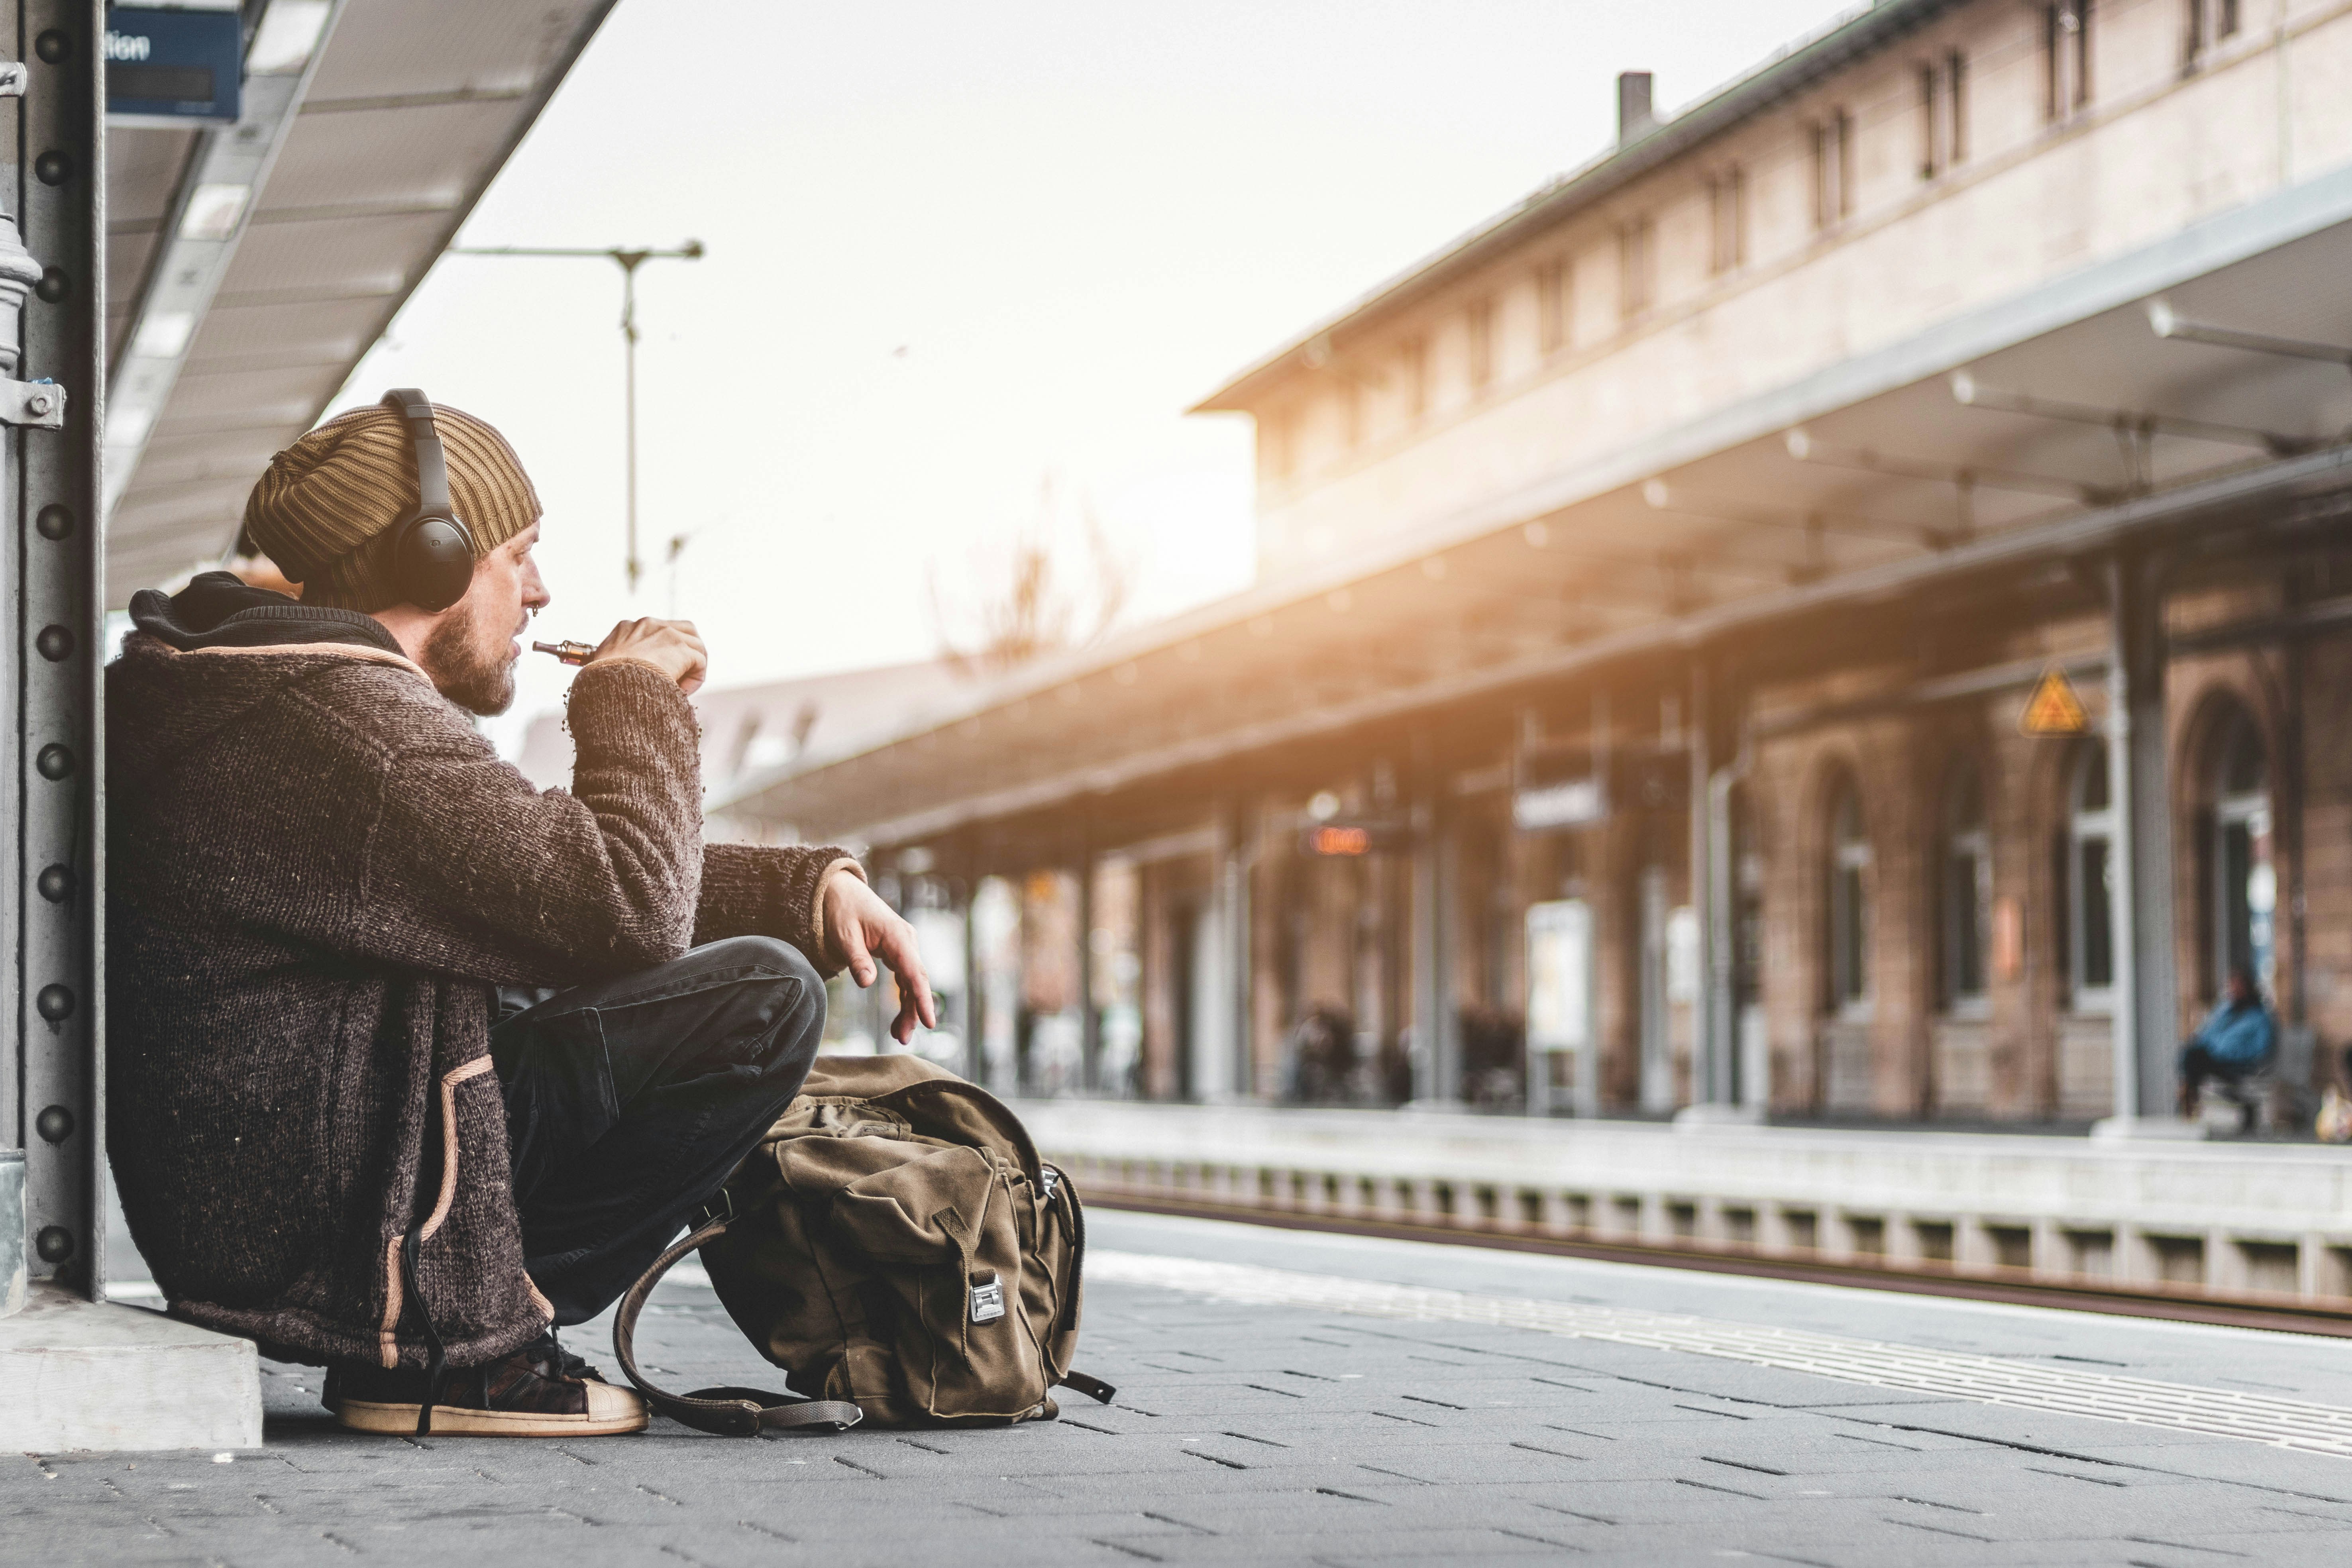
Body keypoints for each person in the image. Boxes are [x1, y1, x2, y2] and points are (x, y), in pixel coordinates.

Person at [106, 393, 934, 1438]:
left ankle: (463, 1319)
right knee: (762, 998)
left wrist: (801, 889)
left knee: (647, 964)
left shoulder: (277, 697)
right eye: (520, 553)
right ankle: (464, 1347)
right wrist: (631, 694)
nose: (540, 591)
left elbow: (517, 863)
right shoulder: (353, 726)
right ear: (433, 559)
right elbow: (623, 907)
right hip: (340, 1237)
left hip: (277, 1203)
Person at [2175, 966, 2276, 1124]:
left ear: (2248, 988)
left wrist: (2235, 1055)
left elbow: (2262, 1048)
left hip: (2239, 1065)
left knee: (2193, 1059)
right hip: (2215, 1059)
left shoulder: (2260, 1017)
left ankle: (2189, 1098)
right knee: (2191, 1053)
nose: (2234, 991)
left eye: (2238, 987)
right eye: (2232, 987)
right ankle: (2189, 1093)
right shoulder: (2225, 1010)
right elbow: (2206, 1034)